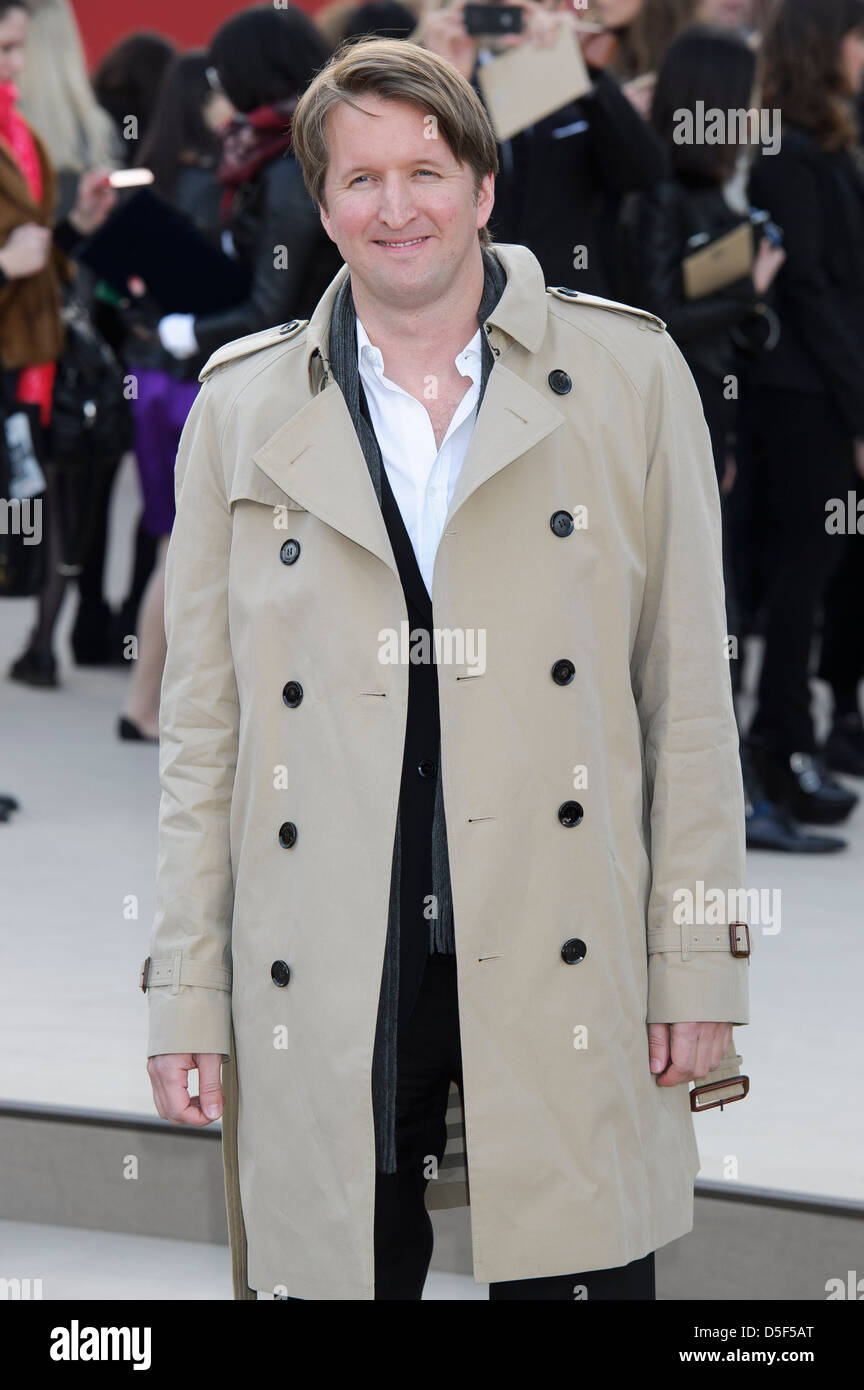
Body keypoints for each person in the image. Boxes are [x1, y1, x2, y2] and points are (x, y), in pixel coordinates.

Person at [141, 35, 751, 1301]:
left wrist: (696, 959)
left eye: (426, 169)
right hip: (332, 950)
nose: (396, 206)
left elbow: (689, 702)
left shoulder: (632, 381)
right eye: (359, 179)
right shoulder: (242, 413)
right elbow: (207, 738)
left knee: (578, 1277)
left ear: (483, 186)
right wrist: (188, 993)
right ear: (321, 206)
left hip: (559, 927)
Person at [617, 27, 839, 853]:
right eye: (741, 100)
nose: (753, 115)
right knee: (708, 610)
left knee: (724, 605)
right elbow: (658, 317)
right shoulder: (665, 193)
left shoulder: (710, 191)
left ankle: (736, 791)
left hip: (716, 414)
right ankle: (728, 799)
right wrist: (750, 286)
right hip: (683, 415)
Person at [744, 0, 864, 825]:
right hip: (805, 396)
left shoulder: (827, 143)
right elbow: (815, 293)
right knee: (803, 574)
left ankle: (791, 745)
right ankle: (777, 749)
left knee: (812, 573)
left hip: (826, 388)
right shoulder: (789, 151)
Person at [115, 52, 230, 743]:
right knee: (185, 553)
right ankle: (146, 704)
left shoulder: (146, 180)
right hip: (187, 384)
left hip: (148, 380)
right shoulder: (212, 184)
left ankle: (143, 700)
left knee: (170, 546)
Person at [1, 0, 116, 689]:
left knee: (31, 526)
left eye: (18, 48)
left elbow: (40, 262)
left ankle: (40, 652)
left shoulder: (25, 137)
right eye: (6, 49)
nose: (17, 65)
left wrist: (77, 225)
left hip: (27, 366)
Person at [416, 0, 668, 296]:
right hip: (477, 295)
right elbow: (427, 175)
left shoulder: (577, 78)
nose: (510, 12)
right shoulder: (448, 80)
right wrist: (446, 81)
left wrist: (576, 57)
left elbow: (645, 173)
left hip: (572, 295)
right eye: (496, 7)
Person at [156, 4, 345, 367]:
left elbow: (274, 314)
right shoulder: (299, 144)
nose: (218, 88)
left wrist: (185, 333)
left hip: (305, 368)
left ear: (250, 74)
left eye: (219, 75)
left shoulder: (291, 165)